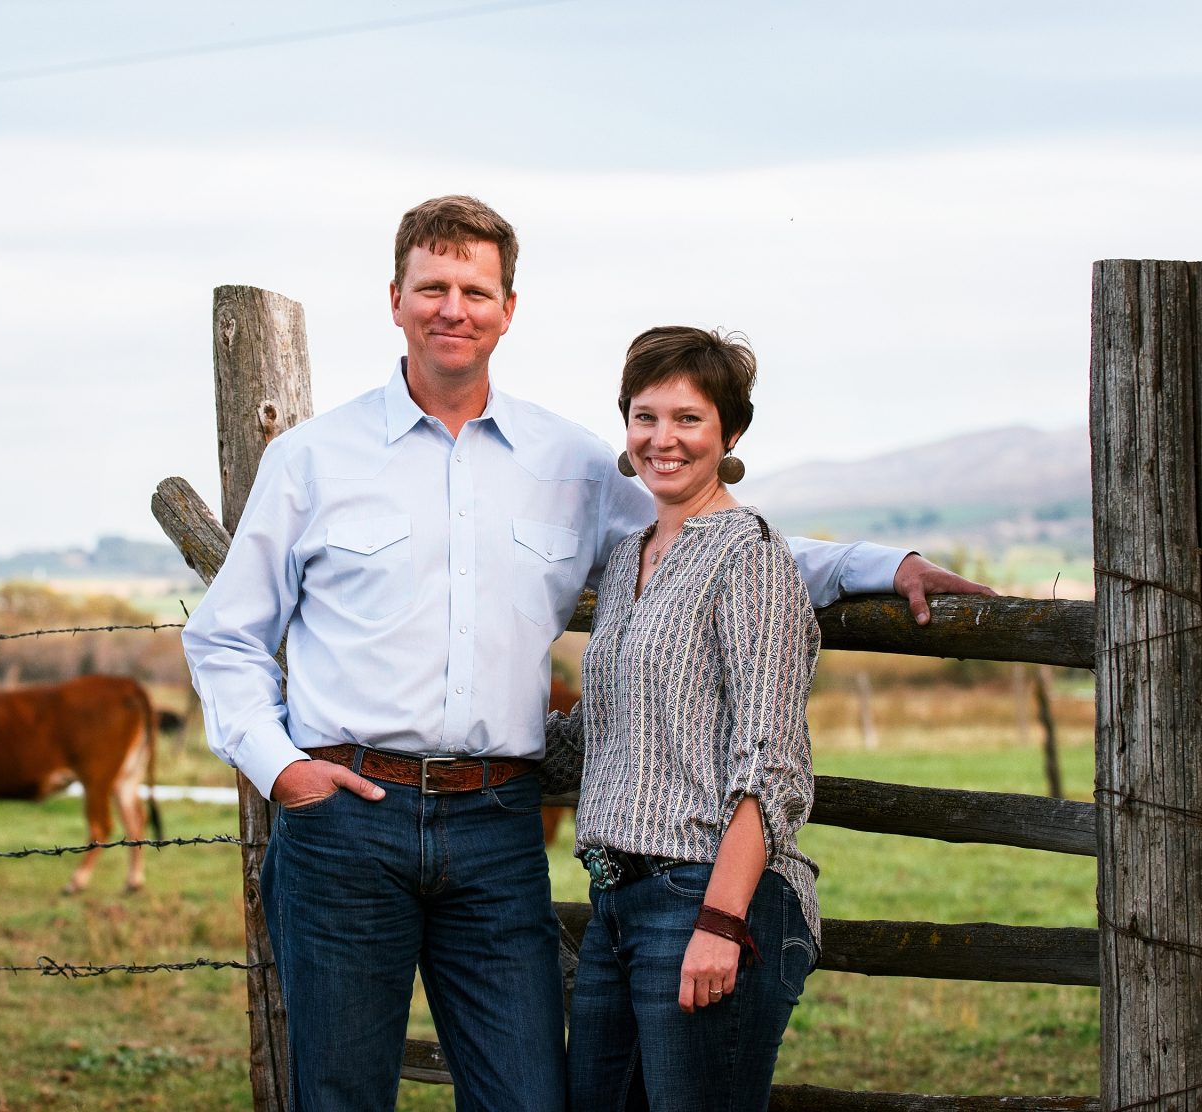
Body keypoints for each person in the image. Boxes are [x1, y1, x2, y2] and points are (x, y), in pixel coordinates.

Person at [181, 195, 992, 1112]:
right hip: (344, 817)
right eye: (433, 287)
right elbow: (226, 634)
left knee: (530, 1097)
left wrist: (887, 564)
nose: (455, 308)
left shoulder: (568, 463)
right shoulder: (312, 459)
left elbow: (711, 537)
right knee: (338, 1094)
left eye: (477, 290)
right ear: (396, 299)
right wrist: (281, 768)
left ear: (509, 309)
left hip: (495, 823)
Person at [543, 326, 827, 1109]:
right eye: (645, 417)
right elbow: (604, 736)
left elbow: (769, 762)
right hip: (618, 905)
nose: (662, 439)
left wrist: (722, 923)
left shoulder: (749, 554)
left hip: (706, 898)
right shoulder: (633, 554)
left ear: (729, 434)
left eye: (688, 419)